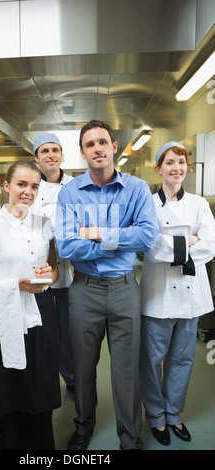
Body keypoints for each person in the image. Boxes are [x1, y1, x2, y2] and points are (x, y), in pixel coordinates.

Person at [55, 119, 159, 450]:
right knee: (83, 368)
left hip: (125, 288)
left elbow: (146, 236)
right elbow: (67, 247)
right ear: (83, 152)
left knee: (127, 370)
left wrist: (96, 233)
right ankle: (83, 427)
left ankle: (129, 437)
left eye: (103, 142)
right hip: (84, 289)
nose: (97, 148)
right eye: (90, 144)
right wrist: (121, 237)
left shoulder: (138, 189)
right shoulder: (70, 192)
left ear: (114, 147)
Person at [0, 161, 61, 450]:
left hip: (43, 311)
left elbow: (55, 270)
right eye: (22, 184)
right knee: (11, 386)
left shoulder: (45, 224)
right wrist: (14, 286)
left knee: (41, 383)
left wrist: (49, 276)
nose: (28, 192)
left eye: (34, 186)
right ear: (6, 186)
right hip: (8, 314)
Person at [139, 141, 215, 446]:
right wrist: (189, 240)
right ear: (159, 168)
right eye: (170, 162)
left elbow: (210, 245)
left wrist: (173, 244)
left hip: (192, 297)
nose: (177, 168)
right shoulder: (147, 204)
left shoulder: (199, 204)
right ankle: (156, 416)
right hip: (158, 296)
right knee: (151, 359)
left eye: (182, 163)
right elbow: (151, 247)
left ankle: (173, 413)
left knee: (182, 358)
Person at [32, 132, 74, 393]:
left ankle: (71, 378)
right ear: (36, 157)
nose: (51, 155)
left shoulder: (77, 185)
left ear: (61, 155)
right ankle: (46, 384)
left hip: (72, 274)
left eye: (55, 150)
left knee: (70, 333)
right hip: (41, 273)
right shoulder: (31, 185)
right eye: (44, 151)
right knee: (44, 333)